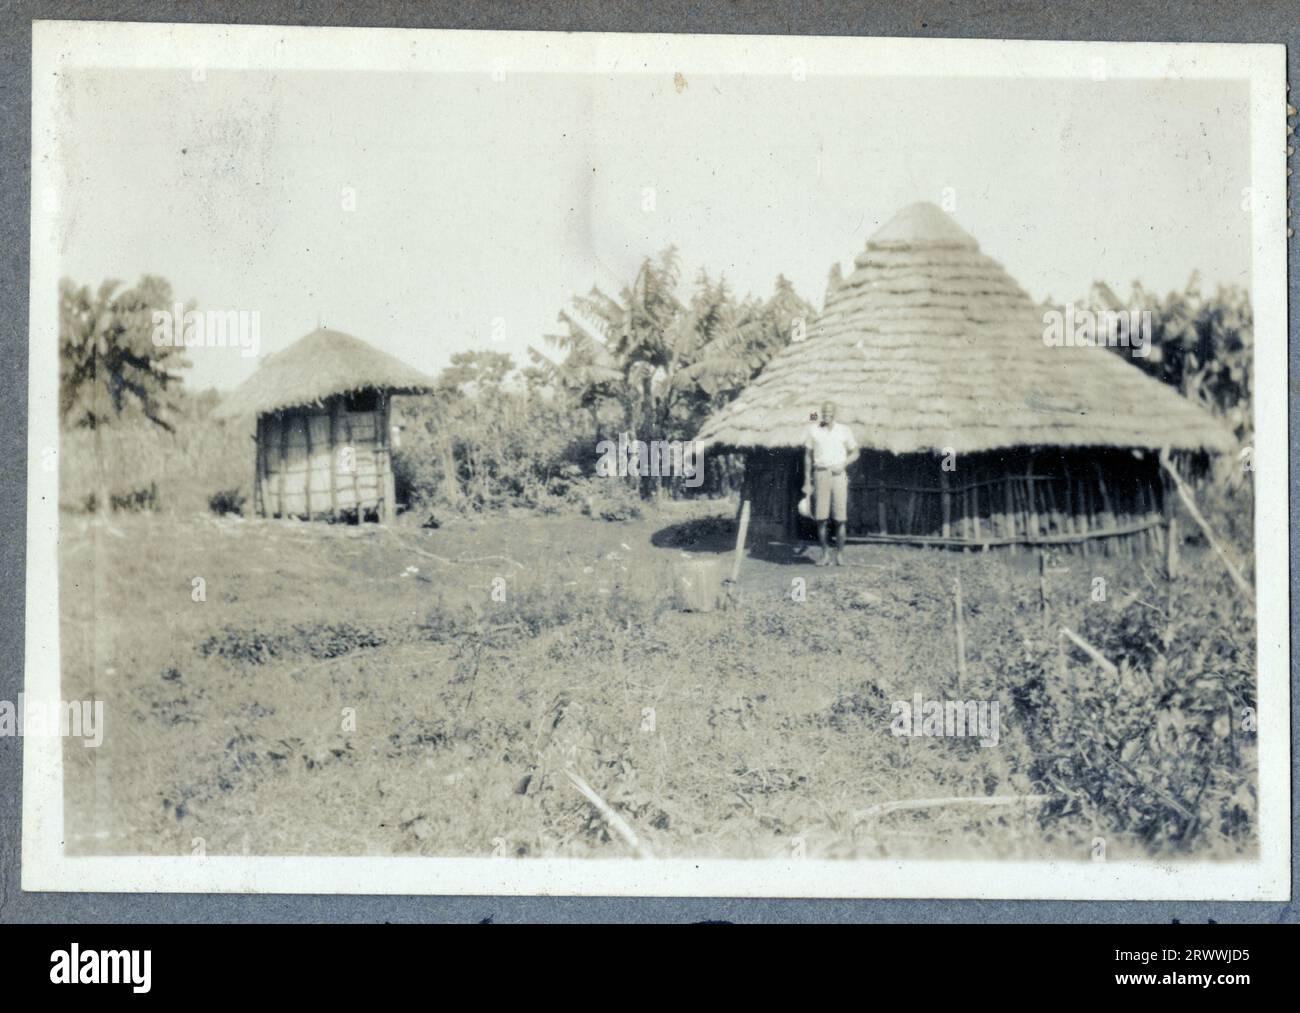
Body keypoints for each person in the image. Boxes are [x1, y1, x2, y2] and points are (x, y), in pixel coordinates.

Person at [802, 400, 859, 565]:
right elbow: (807, 455)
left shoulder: (844, 430)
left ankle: (840, 554)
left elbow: (855, 452)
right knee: (821, 517)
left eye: (830, 411)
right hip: (820, 474)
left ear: (834, 413)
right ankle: (825, 554)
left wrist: (843, 463)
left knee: (840, 518)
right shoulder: (814, 430)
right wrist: (807, 478)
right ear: (821, 413)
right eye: (824, 411)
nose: (827, 414)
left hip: (839, 475)